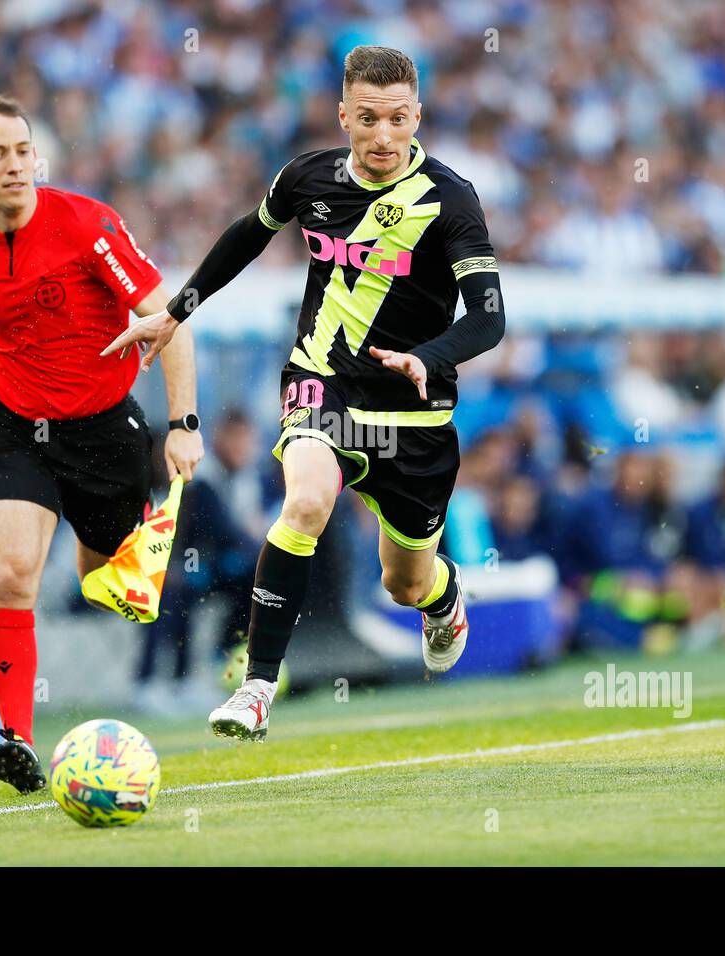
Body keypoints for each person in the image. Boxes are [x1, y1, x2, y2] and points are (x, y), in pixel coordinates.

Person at [104, 46, 506, 740]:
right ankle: (257, 687)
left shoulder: (450, 199)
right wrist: (177, 309)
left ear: (418, 117)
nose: (384, 135)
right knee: (307, 500)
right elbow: (246, 238)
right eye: (370, 118)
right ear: (344, 115)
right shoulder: (306, 178)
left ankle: (444, 597)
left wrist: (426, 357)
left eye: (399, 119)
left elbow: (490, 316)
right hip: (321, 386)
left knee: (403, 584)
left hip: (415, 417)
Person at [0, 92, 204, 794]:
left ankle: (116, 572)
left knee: (108, 588)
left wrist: (184, 425)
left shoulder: (87, 225)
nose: (15, 167)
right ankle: (14, 736)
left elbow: (170, 320)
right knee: (10, 576)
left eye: (23, 151)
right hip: (15, 428)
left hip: (105, 432)